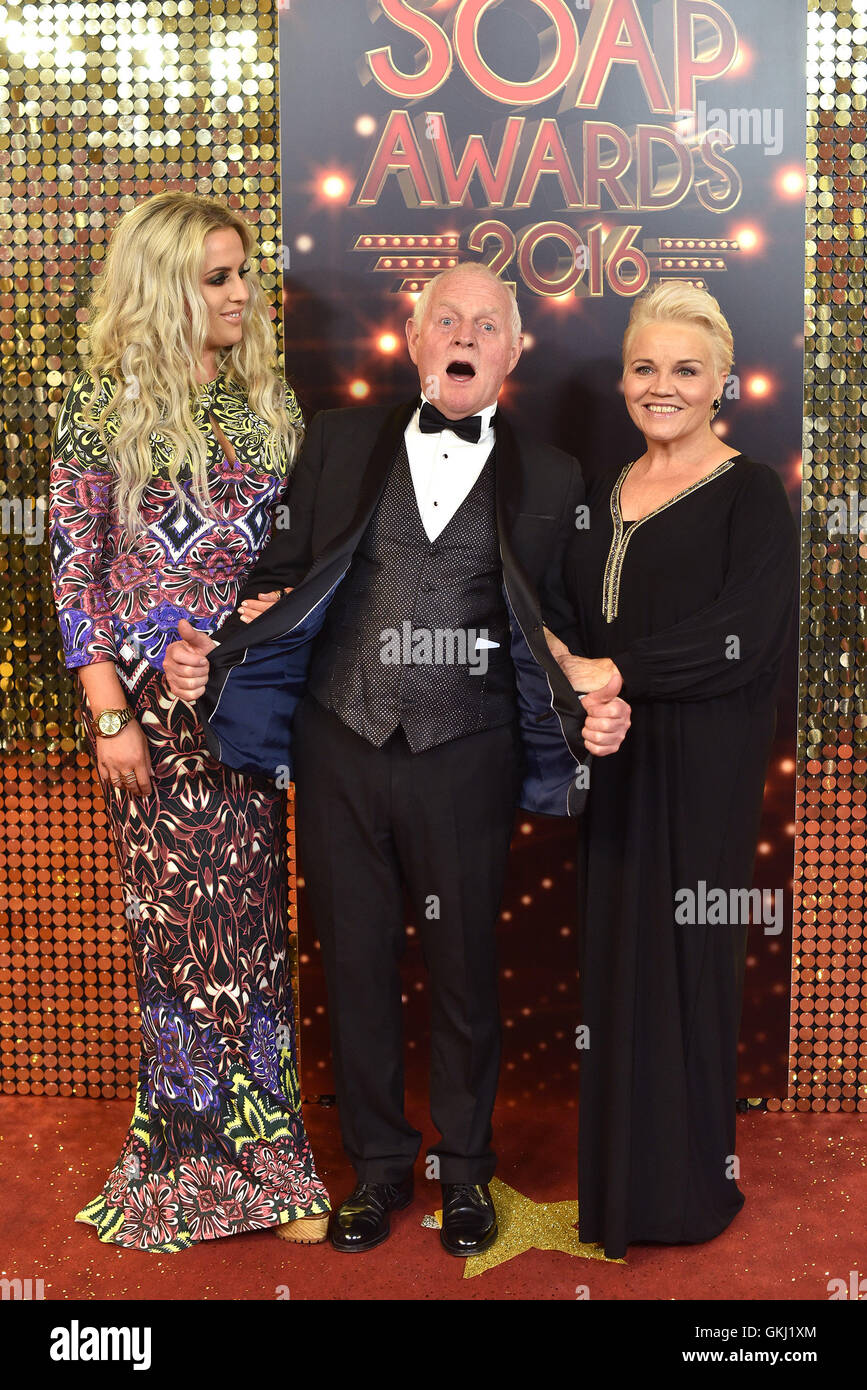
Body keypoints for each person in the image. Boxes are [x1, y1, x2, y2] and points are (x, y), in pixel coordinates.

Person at [163, 262, 631, 1257]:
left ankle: (463, 1175)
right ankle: (376, 1173)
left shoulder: (554, 477)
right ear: (416, 340)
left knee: (466, 970)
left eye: (487, 324)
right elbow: (283, 575)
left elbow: (561, 624)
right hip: (339, 741)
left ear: (512, 350)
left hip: (468, 752)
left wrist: (594, 686)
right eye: (446, 319)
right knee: (356, 964)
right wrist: (241, 622)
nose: (465, 335)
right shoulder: (337, 441)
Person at [48, 190, 330, 1252]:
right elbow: (77, 562)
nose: (241, 291)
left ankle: (274, 1165)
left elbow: (293, 553)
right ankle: (182, 1167)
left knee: (254, 931)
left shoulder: (270, 402)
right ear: (167, 284)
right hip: (145, 716)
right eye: (217, 276)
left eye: (242, 272)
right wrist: (106, 707)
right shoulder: (99, 402)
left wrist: (268, 607)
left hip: (245, 704)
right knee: (175, 939)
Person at [544, 282, 799, 1260]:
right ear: (621, 380)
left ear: (721, 382)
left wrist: (621, 673)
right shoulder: (600, 494)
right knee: (617, 966)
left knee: (687, 966)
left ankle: (689, 1192)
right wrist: (586, 695)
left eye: (685, 370)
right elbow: (570, 625)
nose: (663, 386)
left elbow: (745, 636)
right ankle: (618, 1188)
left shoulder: (751, 493)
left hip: (705, 767)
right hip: (611, 756)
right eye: (645, 367)